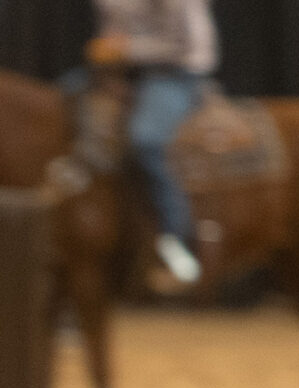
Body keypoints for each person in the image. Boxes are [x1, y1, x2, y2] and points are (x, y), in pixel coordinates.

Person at [86, 0, 217, 286]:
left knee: (146, 141)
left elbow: (184, 45)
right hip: (126, 73)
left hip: (175, 74)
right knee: (63, 108)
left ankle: (176, 245)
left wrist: (127, 49)